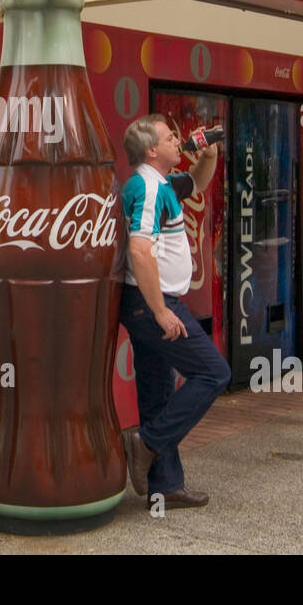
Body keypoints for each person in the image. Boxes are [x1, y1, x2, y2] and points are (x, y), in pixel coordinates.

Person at [119, 115, 232, 509]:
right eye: (170, 137)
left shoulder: (163, 183)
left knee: (157, 390)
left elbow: (198, 181)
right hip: (152, 303)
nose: (178, 140)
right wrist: (161, 312)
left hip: (148, 303)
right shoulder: (148, 188)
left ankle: (164, 487)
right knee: (214, 373)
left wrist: (209, 154)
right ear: (152, 149)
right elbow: (139, 250)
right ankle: (145, 443)